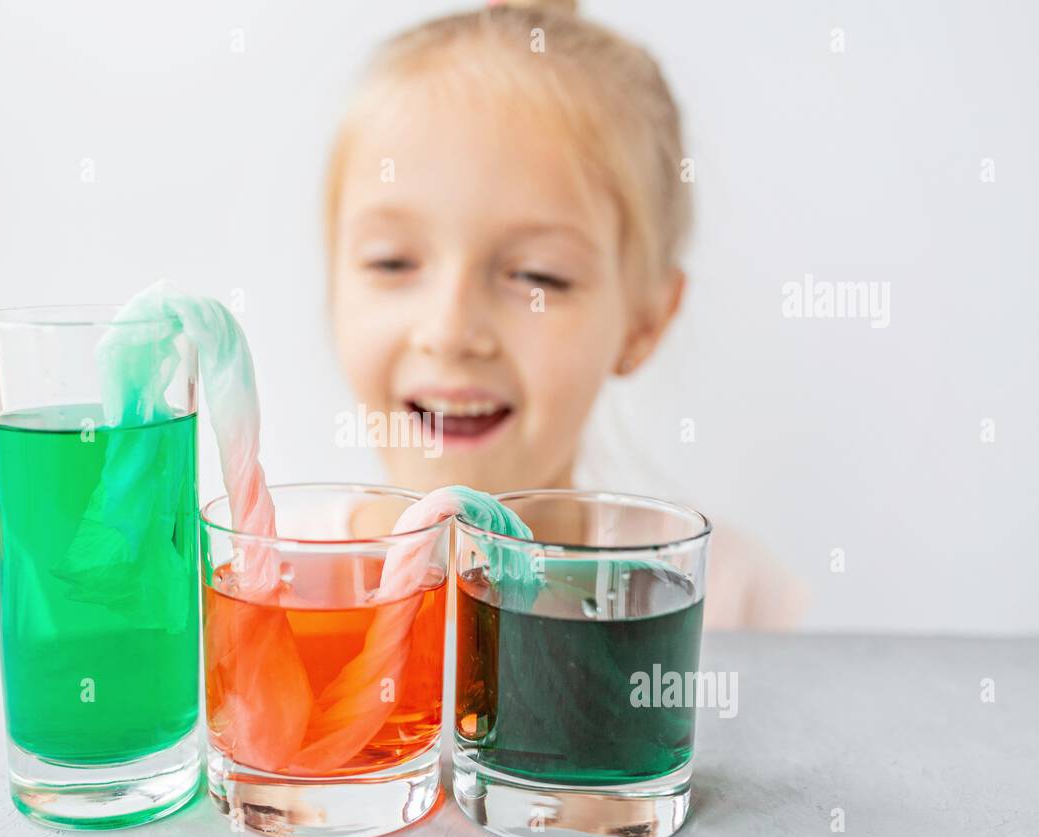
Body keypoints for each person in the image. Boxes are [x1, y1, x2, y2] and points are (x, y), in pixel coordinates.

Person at [322, 0, 805, 629]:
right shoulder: (252, 585)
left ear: (645, 322)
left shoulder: (718, 598)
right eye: (391, 262)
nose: (449, 331)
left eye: (536, 275)